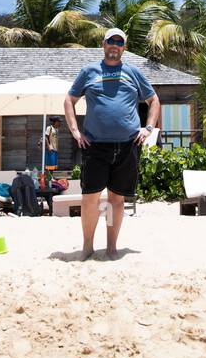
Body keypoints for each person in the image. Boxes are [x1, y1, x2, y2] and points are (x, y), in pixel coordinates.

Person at [64, 28, 160, 261]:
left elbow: (153, 99)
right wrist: (75, 131)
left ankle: (111, 247)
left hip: (127, 145)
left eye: (119, 42)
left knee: (116, 199)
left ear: (124, 47)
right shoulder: (89, 71)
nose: (115, 45)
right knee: (90, 198)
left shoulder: (133, 73)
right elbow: (69, 99)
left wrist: (148, 128)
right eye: (111, 41)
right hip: (94, 146)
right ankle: (87, 246)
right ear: (103, 44)